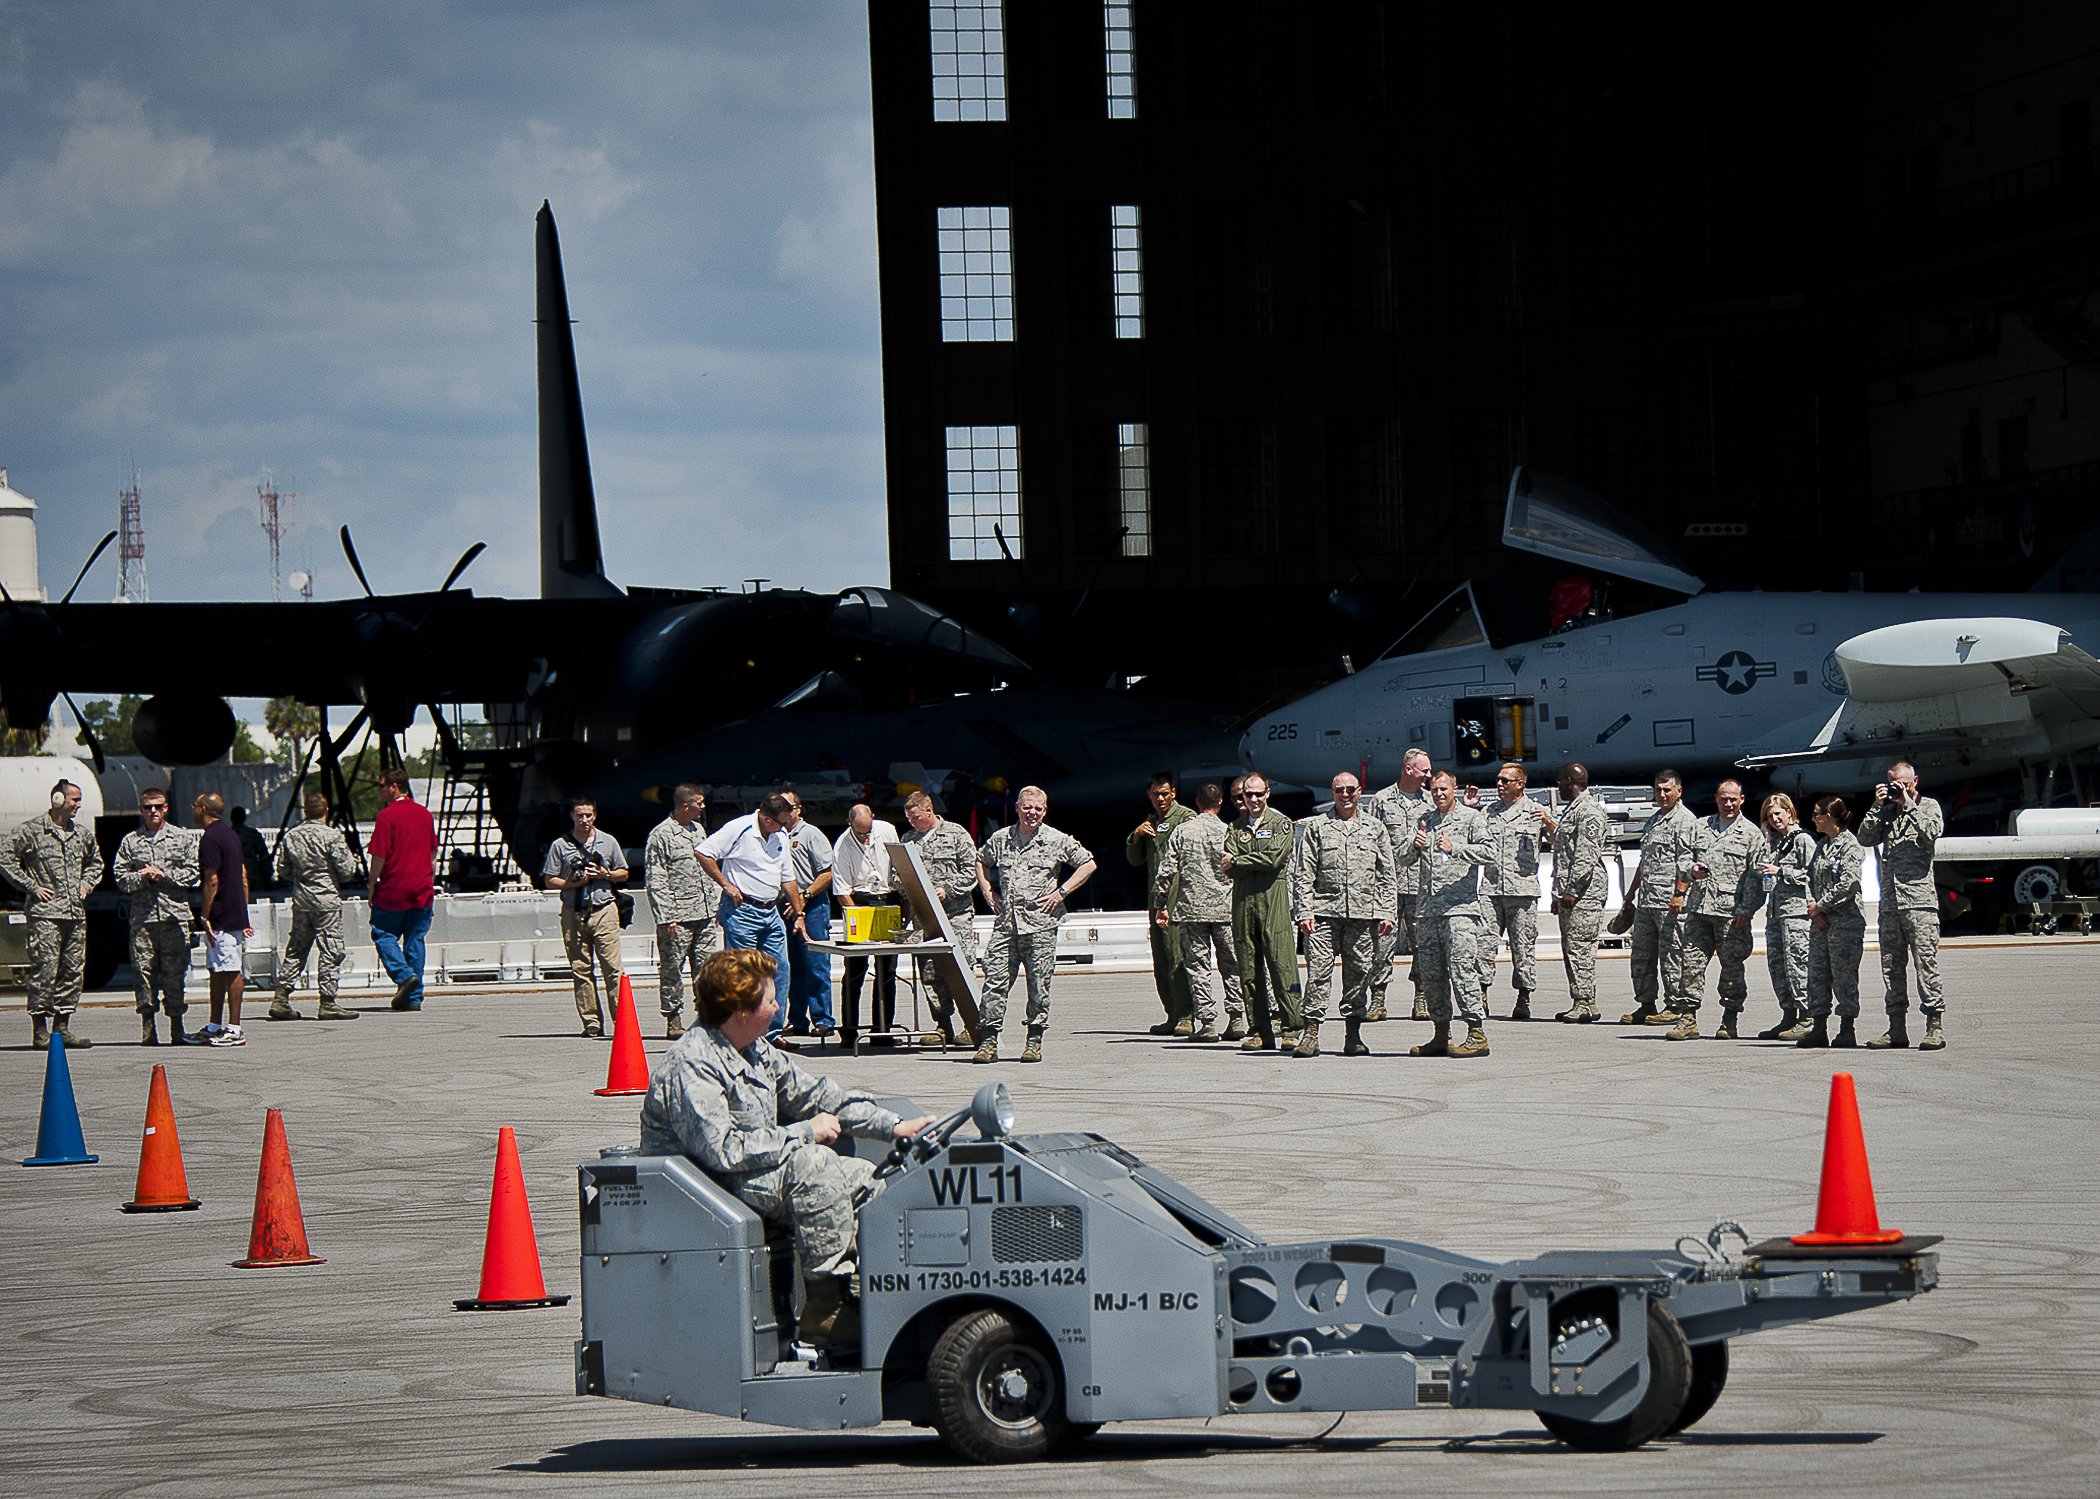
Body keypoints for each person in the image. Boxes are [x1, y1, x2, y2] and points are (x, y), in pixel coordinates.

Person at [638, 949, 935, 1349]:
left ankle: (864, 1290)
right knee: (814, 1165)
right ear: (740, 1011)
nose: (778, 1005)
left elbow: (820, 1097)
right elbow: (722, 1151)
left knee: (866, 1179)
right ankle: (824, 1309)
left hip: (750, 1175)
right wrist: (804, 1133)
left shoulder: (756, 1051)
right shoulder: (693, 1063)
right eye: (770, 999)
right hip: (706, 1191)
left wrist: (895, 1127)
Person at [973, 786, 1095, 1064]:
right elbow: (981, 859)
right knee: (994, 982)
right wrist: (988, 890)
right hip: (1006, 926)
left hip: (1040, 926)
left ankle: (1034, 1040)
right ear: (1017, 808)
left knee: (1039, 986)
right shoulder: (1002, 838)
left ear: (1044, 811)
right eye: (1027, 808)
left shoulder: (1055, 839)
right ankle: (989, 1041)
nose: (1032, 813)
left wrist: (1061, 893)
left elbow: (1087, 864)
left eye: (1038, 809)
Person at [1289, 772, 1396, 1057]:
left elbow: (1387, 875)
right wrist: (1304, 911)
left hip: (1362, 916)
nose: (1345, 794)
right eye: (1339, 790)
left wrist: (1387, 912)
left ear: (1359, 792)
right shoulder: (1317, 828)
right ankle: (1310, 1033)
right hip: (1323, 915)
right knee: (1319, 974)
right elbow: (1304, 873)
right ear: (1332, 792)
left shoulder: (1375, 829)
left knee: (1359, 974)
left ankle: (1353, 1034)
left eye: (1350, 789)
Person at [1, 778, 104, 1049]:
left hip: (74, 916)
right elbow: (4, 856)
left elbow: (96, 862)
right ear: (58, 800)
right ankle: (40, 1030)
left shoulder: (81, 834)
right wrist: (31, 886)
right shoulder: (33, 831)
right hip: (45, 915)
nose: (78, 805)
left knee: (72, 971)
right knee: (45, 970)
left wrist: (86, 883)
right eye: (74, 800)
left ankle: (62, 1028)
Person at [1397, 770, 1494, 1058]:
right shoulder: (1425, 819)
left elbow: (1490, 852)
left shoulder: (1471, 819)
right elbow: (1401, 858)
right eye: (1434, 789)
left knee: (1462, 969)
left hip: (1459, 910)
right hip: (1428, 912)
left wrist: (1457, 848)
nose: (1439, 794)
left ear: (1454, 789)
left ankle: (1476, 1033)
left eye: (1444, 789)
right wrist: (1412, 844)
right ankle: (1441, 1033)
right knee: (1432, 974)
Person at [697, 792, 806, 1040]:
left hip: (771, 910)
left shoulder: (781, 835)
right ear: (767, 819)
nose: (785, 827)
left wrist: (798, 912)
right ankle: (740, 1029)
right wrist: (725, 884)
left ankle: (772, 1031)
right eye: (782, 822)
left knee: (779, 969)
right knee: (743, 972)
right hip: (742, 910)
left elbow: (787, 876)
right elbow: (703, 852)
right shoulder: (739, 828)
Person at [1857, 760, 1947, 1050]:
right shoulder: (1887, 812)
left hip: (1919, 903)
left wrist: (1907, 802)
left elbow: (1931, 833)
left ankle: (1934, 1026)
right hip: (1891, 906)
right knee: (1891, 968)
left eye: (1903, 783)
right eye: (1894, 783)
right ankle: (1896, 1028)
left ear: (1915, 781)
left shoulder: (1928, 806)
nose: (1898, 787)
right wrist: (1877, 805)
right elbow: (1865, 837)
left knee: (1926, 966)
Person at [1672, 779, 1768, 1040]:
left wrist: (1747, 910)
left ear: (1742, 800)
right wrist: (1690, 870)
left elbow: (1756, 876)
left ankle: (1730, 1019)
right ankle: (1688, 1019)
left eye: (1733, 799)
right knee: (1690, 965)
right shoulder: (1701, 826)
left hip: (1731, 915)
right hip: (1699, 910)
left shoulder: (1751, 834)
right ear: (1716, 798)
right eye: (1724, 799)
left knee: (1732, 969)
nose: (1728, 804)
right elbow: (1682, 857)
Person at [1151, 782, 1244, 1044]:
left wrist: (1161, 904)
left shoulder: (1182, 831)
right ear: (1220, 803)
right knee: (1232, 965)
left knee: (1198, 967)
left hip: (1192, 911)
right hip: (1225, 910)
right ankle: (1236, 1018)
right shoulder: (1229, 831)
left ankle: (1207, 1023)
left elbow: (1165, 871)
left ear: (1197, 802)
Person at [112, 787, 201, 1045]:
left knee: (175, 974)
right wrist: (142, 878)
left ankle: (177, 1027)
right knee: (143, 973)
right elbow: (120, 878)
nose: (153, 811)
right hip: (144, 919)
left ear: (166, 808)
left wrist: (165, 876)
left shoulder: (182, 838)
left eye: (158, 806)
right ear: (141, 809)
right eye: (147, 807)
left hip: (174, 917)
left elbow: (194, 874)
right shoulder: (131, 841)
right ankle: (148, 1027)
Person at [269, 792, 363, 1022]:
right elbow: (347, 870)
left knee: (296, 949)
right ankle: (328, 1002)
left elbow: (282, 870)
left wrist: (302, 878)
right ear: (326, 811)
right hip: (326, 901)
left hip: (301, 900)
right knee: (331, 950)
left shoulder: (292, 836)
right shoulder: (332, 836)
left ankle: (281, 997)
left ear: (305, 812)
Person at [543, 795, 630, 1038]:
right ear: (571, 816)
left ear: (595, 815)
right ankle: (591, 1022)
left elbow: (623, 872)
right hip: (574, 912)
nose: (584, 820)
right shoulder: (560, 845)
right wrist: (572, 883)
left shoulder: (608, 841)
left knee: (612, 968)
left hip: (603, 910)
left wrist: (606, 874)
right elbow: (550, 880)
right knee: (581, 968)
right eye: (579, 815)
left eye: (588, 815)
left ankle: (621, 1021)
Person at [1224, 772, 1299, 1050]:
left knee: (1283, 965)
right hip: (1244, 901)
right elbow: (1226, 865)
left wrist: (1240, 860)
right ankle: (1259, 1031)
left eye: (1258, 794)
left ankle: (1291, 1028)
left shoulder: (1281, 824)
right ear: (1241, 797)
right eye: (1248, 795)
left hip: (1274, 899)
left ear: (1268, 793)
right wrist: (1248, 862)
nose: (1253, 799)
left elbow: (1275, 858)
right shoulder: (1234, 827)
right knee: (1248, 966)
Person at [900, 791, 980, 1047]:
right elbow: (897, 874)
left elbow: (971, 873)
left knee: (961, 968)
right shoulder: (909, 840)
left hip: (955, 914)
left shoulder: (956, 834)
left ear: (929, 811)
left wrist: (947, 888)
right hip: (924, 918)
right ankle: (942, 1026)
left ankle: (973, 1026)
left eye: (916, 818)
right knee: (930, 972)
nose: (912, 823)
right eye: (909, 819)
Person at [645, 784, 720, 1039]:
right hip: (677, 917)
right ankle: (673, 1018)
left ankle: (705, 1017)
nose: (703, 807)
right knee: (672, 969)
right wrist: (666, 916)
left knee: (706, 968)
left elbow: (709, 869)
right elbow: (656, 878)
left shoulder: (697, 830)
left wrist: (716, 905)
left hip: (704, 912)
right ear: (686, 805)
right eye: (699, 802)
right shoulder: (661, 835)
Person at [1623, 769, 1697, 1026]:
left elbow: (1686, 862)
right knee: (1641, 955)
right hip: (1646, 902)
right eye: (1658, 789)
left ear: (1679, 791)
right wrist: (1631, 893)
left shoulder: (1685, 821)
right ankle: (1646, 1003)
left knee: (1672, 955)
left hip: (1670, 903)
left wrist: (1679, 894)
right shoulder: (1654, 819)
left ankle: (1675, 1006)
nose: (1662, 794)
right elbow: (1645, 861)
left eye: (1667, 790)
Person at [1126, 772, 1197, 1037]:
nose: (1161, 798)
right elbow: (1135, 859)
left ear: (1174, 793)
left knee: (1177, 957)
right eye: (1156, 794)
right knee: (1161, 959)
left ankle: (1187, 1015)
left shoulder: (1185, 818)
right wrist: (1136, 835)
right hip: (1156, 901)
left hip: (1178, 901)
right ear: (1149, 795)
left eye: (1165, 793)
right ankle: (1172, 1014)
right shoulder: (1152, 822)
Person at [1367, 748, 1435, 1021]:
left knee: (1423, 944)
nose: (1429, 776)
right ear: (1409, 770)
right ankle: (1378, 997)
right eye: (1425, 771)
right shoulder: (1382, 801)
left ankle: (1421, 997)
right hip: (1387, 887)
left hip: (1420, 886)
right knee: (1382, 945)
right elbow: (1370, 842)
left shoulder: (1431, 802)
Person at [1475, 762, 1545, 1020]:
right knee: (1482, 945)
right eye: (1499, 780)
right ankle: (1481, 995)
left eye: (1506, 781)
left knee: (1523, 947)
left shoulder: (1536, 811)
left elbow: (1559, 839)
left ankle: (1524, 997)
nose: (1500, 784)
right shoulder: (1487, 812)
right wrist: (1469, 809)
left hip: (1522, 891)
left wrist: (1548, 821)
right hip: (1491, 890)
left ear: (1520, 784)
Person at [1797, 794, 1866, 1049]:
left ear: (1828, 817)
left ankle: (1847, 1028)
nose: (1813, 819)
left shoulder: (1850, 845)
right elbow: (1808, 879)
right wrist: (1814, 909)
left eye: (1816, 814)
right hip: (1821, 922)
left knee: (1843, 976)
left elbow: (1849, 882)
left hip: (1845, 923)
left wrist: (1821, 906)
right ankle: (1819, 1027)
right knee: (1817, 974)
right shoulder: (1822, 845)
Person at [368, 767, 439, 1012]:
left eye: (381, 786)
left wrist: (372, 884)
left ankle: (403, 976)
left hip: (394, 888)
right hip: (421, 889)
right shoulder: (425, 815)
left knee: (383, 933)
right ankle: (414, 997)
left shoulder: (387, 816)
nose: (378, 791)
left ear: (394, 787)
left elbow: (379, 854)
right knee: (415, 939)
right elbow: (432, 854)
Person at [1545, 762, 1611, 1023]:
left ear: (1570, 780)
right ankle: (1581, 1000)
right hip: (1571, 893)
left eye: (1560, 780)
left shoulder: (1589, 811)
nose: (1558, 785)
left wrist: (1571, 890)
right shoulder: (1573, 810)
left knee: (1581, 947)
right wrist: (1558, 894)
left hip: (1585, 892)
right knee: (1571, 947)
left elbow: (1586, 855)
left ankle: (1585, 1001)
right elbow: (1564, 857)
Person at [833, 802, 902, 1046]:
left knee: (887, 970)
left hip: (888, 899)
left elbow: (899, 865)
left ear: (873, 818)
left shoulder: (886, 830)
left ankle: (882, 1029)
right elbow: (841, 890)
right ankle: (849, 1031)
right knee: (854, 970)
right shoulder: (842, 845)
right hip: (858, 901)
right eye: (860, 832)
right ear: (849, 823)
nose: (865, 837)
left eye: (868, 831)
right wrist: (857, 922)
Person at [194, 791, 253, 1047]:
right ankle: (214, 1025)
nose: (193, 809)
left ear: (204, 810)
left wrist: (204, 915)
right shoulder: (230, 835)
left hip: (221, 917)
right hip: (233, 913)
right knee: (216, 969)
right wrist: (244, 910)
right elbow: (242, 876)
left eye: (196, 805)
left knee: (230, 970)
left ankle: (235, 1027)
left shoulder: (210, 837)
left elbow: (212, 880)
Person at [1755, 793, 1817, 1040]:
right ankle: (1789, 1014)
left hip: (1797, 913)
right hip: (1776, 913)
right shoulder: (1776, 842)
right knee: (1779, 967)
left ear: (1789, 812)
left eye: (1778, 814)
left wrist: (1781, 871)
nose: (1775, 819)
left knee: (1798, 964)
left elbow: (1814, 873)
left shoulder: (1802, 840)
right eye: (1770, 816)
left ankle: (1808, 1016)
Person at [778, 791, 837, 1038]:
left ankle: (823, 1019)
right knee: (792, 967)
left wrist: (803, 898)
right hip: (784, 907)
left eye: (788, 807)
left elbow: (828, 872)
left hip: (811, 906)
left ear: (798, 808)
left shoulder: (811, 834)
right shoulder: (775, 836)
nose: (783, 812)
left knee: (816, 964)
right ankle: (797, 1020)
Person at [229, 805, 271, 895]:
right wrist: (267, 878)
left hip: (231, 877)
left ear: (231, 818)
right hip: (252, 876)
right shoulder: (252, 834)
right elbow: (264, 857)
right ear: (244, 818)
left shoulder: (225, 835)